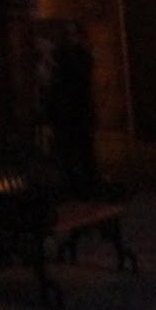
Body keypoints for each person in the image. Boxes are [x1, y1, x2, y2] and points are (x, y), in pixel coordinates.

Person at [46, 21, 98, 198]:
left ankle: (86, 185)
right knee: (70, 151)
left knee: (82, 150)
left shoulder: (78, 56)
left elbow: (78, 82)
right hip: (67, 113)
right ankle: (75, 185)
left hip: (75, 111)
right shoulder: (64, 56)